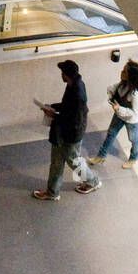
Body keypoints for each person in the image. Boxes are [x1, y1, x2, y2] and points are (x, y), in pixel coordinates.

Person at [33, 59, 100, 200]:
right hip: (63, 132)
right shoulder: (73, 85)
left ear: (66, 74)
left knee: (73, 161)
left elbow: (75, 120)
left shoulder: (77, 93)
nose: (61, 75)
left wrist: (54, 116)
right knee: (57, 162)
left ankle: (92, 181)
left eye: (62, 72)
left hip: (70, 135)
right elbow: (67, 107)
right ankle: (52, 192)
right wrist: (53, 107)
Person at [87, 59, 138, 171]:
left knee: (133, 138)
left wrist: (119, 109)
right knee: (111, 134)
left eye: (124, 72)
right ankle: (101, 156)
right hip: (120, 115)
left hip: (132, 121)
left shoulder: (136, 94)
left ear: (131, 76)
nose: (121, 72)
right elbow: (114, 88)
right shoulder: (122, 84)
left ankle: (133, 158)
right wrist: (111, 95)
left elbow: (134, 113)